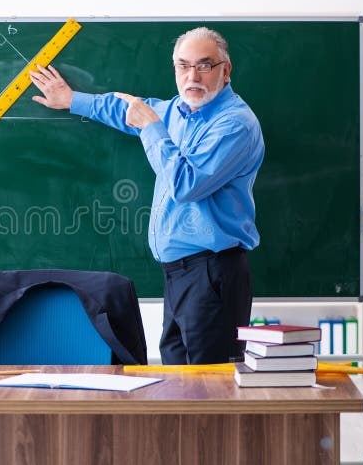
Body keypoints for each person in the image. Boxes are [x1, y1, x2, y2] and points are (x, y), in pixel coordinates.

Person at [28, 27, 264, 364]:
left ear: (225, 71)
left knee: (210, 390)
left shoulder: (234, 124)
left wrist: (151, 127)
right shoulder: (178, 113)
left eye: (204, 65)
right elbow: (123, 108)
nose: (191, 75)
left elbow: (186, 185)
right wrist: (71, 100)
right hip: (179, 274)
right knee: (178, 380)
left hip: (213, 274)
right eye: (183, 66)